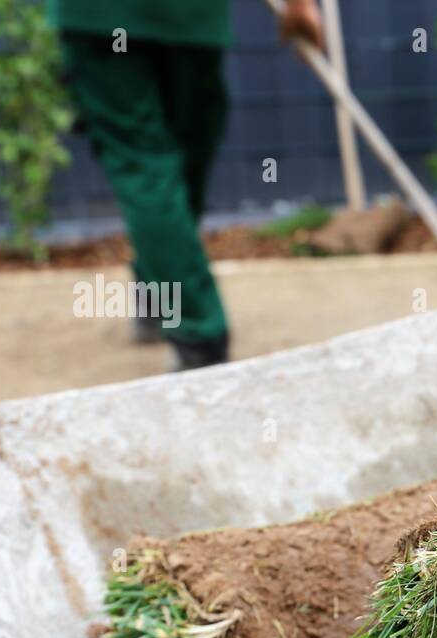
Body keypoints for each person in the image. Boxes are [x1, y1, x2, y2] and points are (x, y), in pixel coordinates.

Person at [47, 0, 324, 369]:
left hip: (111, 17)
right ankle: (196, 329)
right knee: (165, 161)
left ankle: (173, 303)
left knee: (153, 164)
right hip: (183, 20)